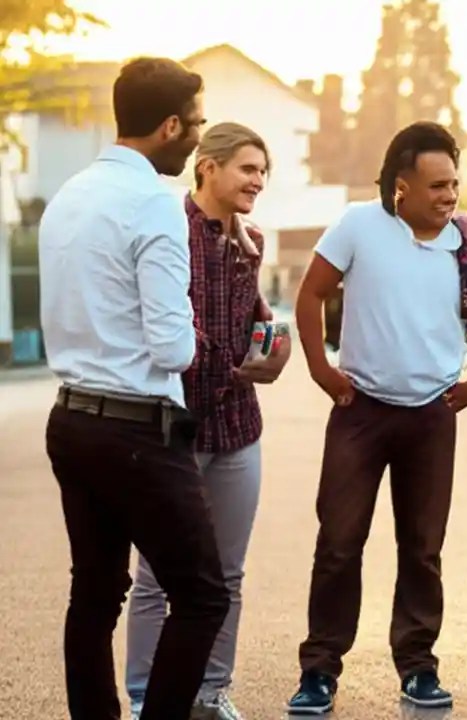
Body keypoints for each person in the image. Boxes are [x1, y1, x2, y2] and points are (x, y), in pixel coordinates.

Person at [286, 121, 467, 713]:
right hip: (359, 412)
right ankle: (319, 671)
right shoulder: (359, 226)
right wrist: (322, 369)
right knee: (339, 543)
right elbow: (311, 293)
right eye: (437, 185)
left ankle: (418, 667)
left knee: (422, 547)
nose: (449, 195)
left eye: (454, 183)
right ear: (401, 186)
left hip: (432, 416)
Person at [38, 57, 229, 720]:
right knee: (202, 595)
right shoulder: (152, 202)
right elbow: (173, 347)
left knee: (94, 595)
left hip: (70, 419)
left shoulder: (70, 194)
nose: (198, 138)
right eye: (196, 124)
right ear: (170, 125)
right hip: (135, 430)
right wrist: (199, 336)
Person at [124, 121, 289, 720]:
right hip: (174, 428)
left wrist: (277, 346)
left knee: (226, 573)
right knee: (156, 576)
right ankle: (144, 698)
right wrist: (231, 358)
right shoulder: (166, 230)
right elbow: (163, 327)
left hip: (239, 428)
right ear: (208, 167)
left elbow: (258, 318)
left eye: (263, 171)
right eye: (248, 168)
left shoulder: (252, 242)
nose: (258, 180)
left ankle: (210, 693)